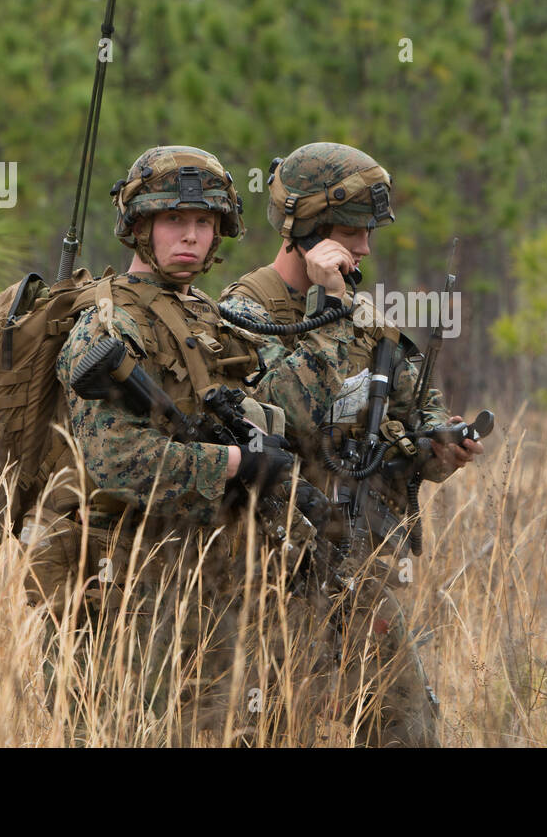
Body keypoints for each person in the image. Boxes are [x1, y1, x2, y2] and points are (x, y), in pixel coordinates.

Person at [25, 144, 358, 744]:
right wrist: (234, 462)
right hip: (121, 586)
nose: (191, 236)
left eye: (204, 223)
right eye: (175, 220)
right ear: (139, 228)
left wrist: (330, 306)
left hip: (206, 585)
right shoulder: (107, 324)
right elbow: (117, 461)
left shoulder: (209, 315)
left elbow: (297, 405)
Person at [219, 142, 485, 746]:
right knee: (271, 729)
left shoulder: (367, 321)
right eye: (352, 230)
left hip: (359, 572)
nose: (365, 247)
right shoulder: (239, 315)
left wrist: (441, 447)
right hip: (268, 581)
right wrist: (329, 309)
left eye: (369, 232)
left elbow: (419, 411)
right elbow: (281, 412)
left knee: (410, 728)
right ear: (305, 227)